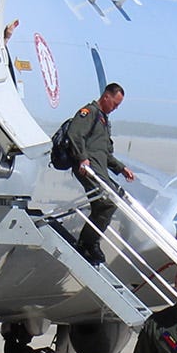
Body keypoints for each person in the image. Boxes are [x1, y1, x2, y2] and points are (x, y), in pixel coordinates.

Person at [61, 83, 137, 261]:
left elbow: (103, 153)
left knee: (110, 201)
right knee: (107, 203)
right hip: (89, 169)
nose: (115, 108)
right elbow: (74, 134)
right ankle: (88, 243)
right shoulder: (89, 113)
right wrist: (81, 158)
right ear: (106, 97)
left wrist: (121, 168)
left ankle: (90, 242)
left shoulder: (103, 120)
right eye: (115, 104)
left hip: (99, 169)